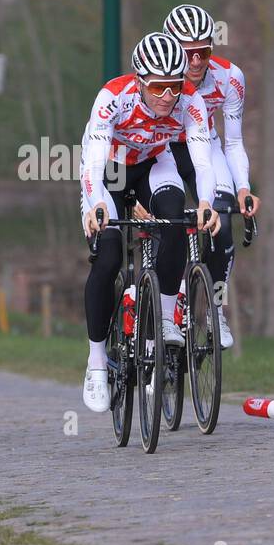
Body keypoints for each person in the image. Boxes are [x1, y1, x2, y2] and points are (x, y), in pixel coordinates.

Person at [79, 32, 221, 412]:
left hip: (153, 164)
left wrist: (206, 201)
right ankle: (95, 362)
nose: (167, 97)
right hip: (109, 169)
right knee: (108, 255)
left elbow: (203, 161)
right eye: (158, 87)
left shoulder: (189, 101)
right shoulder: (113, 98)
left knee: (176, 220)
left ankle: (163, 319)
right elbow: (93, 163)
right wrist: (97, 205)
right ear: (140, 81)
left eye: (174, 87)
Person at [163, 3, 260, 349]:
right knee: (166, 222)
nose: (195, 61)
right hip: (161, 150)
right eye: (187, 53)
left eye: (203, 51)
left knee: (221, 218)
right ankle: (156, 301)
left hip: (206, 147)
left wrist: (244, 188)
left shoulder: (230, 77)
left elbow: (233, 142)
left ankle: (215, 307)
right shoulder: (158, 77)